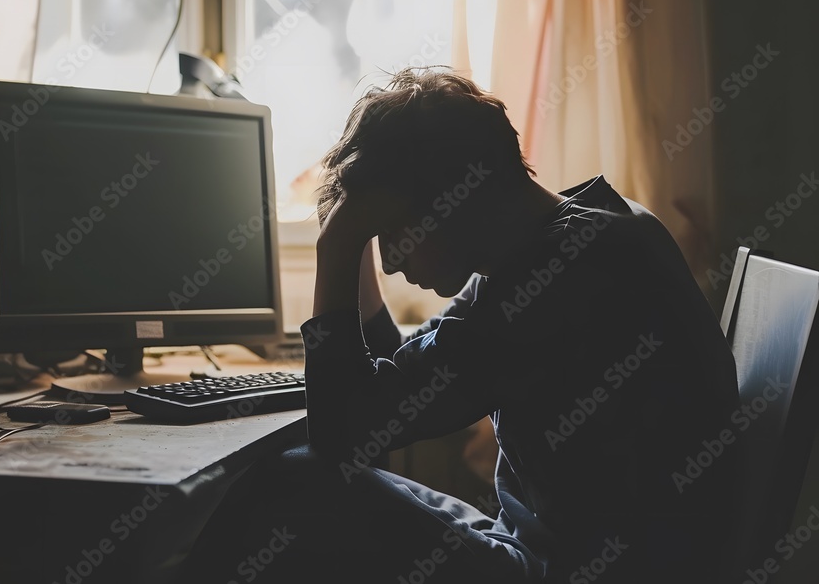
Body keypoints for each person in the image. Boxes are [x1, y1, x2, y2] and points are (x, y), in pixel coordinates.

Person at [180, 67, 740, 583]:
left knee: (292, 479)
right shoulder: (575, 235)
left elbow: (344, 434)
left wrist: (337, 247)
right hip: (546, 543)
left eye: (393, 230)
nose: (391, 260)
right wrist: (354, 243)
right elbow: (401, 370)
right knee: (291, 484)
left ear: (453, 199)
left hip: (569, 568)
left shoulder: (561, 279)